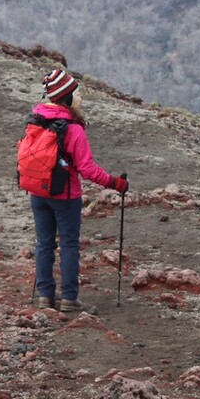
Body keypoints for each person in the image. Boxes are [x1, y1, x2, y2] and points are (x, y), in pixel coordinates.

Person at [28, 68, 127, 313]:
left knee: (44, 244)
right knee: (69, 245)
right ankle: (69, 298)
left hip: (38, 192)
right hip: (65, 196)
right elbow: (87, 169)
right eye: (77, 93)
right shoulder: (72, 129)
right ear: (67, 97)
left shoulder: (36, 120)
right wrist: (116, 183)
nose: (80, 97)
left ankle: (45, 297)